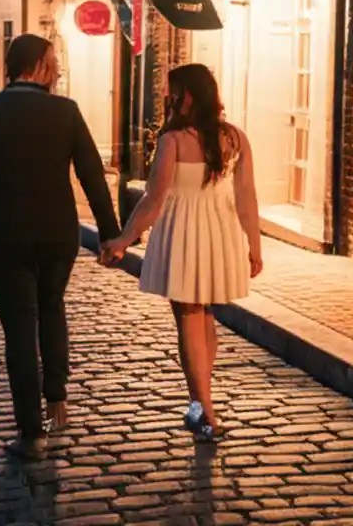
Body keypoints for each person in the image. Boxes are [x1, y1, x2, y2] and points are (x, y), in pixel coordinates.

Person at [0, 33, 120, 460]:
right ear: (38, 67)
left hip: (5, 237)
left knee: (20, 331)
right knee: (52, 308)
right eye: (55, 61)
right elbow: (92, 176)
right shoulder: (65, 113)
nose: (60, 69)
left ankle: (31, 433)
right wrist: (109, 232)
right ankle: (57, 398)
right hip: (57, 235)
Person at [101, 63, 262, 441]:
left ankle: (204, 412)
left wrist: (124, 240)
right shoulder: (235, 137)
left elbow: (154, 200)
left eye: (174, 91)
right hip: (219, 230)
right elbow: (246, 198)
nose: (169, 97)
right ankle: (203, 406)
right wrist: (254, 245)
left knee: (189, 317)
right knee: (203, 315)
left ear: (188, 95)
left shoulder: (173, 140)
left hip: (184, 229)